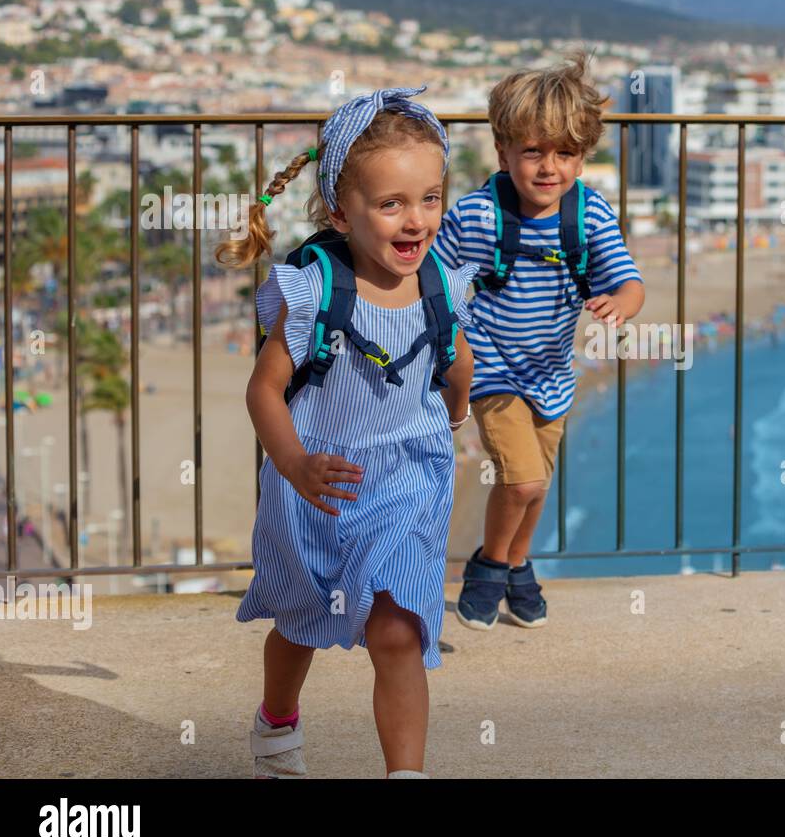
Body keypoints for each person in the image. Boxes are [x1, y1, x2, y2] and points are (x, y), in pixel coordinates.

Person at [215, 87, 480, 778]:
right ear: (341, 210)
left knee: (396, 630)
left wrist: (456, 409)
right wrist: (296, 465)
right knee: (299, 623)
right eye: (391, 204)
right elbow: (263, 390)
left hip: (406, 482)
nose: (415, 219)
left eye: (429, 198)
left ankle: (406, 773)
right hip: (315, 486)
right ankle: (277, 718)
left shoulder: (439, 284)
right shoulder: (316, 292)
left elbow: (455, 355)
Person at [433, 54, 645, 630]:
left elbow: (628, 279)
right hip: (490, 365)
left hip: (552, 370)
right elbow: (433, 278)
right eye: (533, 152)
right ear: (503, 153)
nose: (549, 167)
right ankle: (488, 567)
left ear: (583, 156)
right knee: (521, 478)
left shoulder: (589, 214)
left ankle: (517, 565)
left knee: (539, 482)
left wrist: (621, 305)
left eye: (565, 153)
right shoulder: (478, 215)